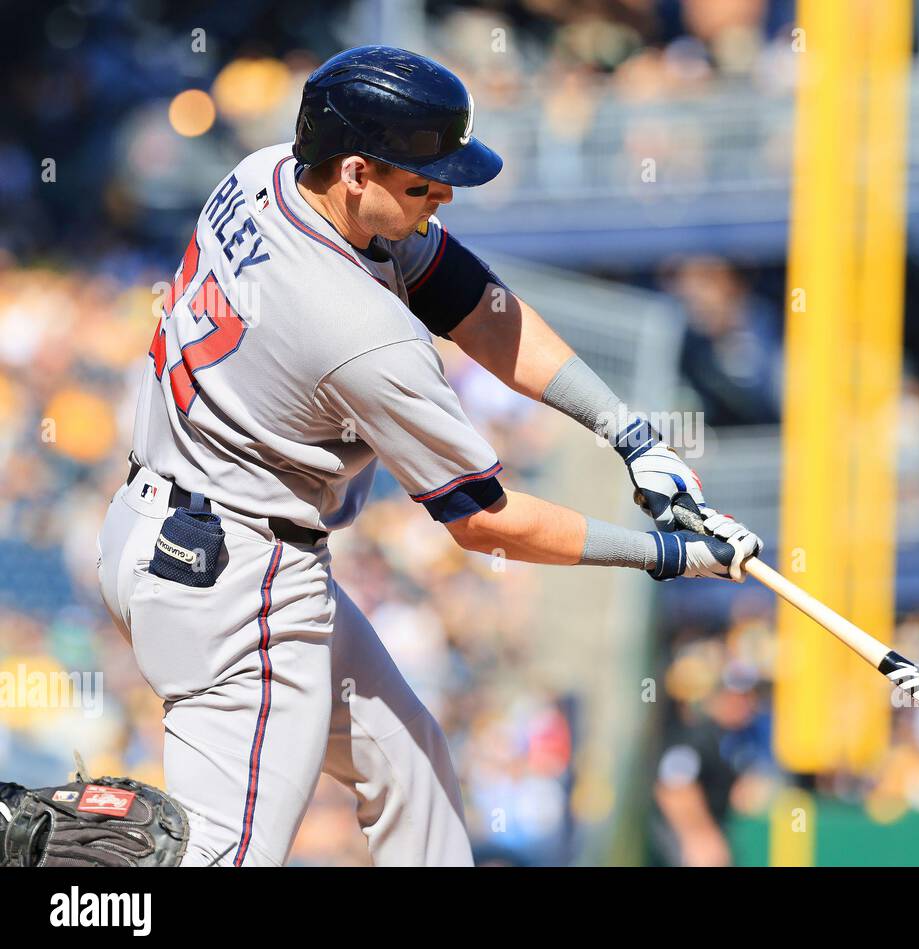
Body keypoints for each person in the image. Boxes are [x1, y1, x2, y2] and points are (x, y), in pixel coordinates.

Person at [90, 45, 761, 867]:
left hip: (168, 531)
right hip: (241, 586)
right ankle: (64, 862)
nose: (443, 194)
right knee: (222, 860)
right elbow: (485, 523)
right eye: (422, 180)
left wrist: (629, 434)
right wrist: (667, 554)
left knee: (413, 769)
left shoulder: (268, 173)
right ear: (356, 171)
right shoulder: (361, 333)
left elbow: (472, 300)